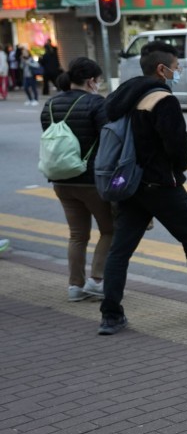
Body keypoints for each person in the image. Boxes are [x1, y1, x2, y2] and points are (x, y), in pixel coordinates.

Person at [98, 41, 187, 336]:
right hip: (162, 184)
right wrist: (178, 167)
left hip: (130, 184)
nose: (178, 72)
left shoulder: (123, 95)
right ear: (161, 70)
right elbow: (177, 146)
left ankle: (110, 315)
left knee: (120, 250)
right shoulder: (163, 100)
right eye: (176, 67)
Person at [39, 57, 114, 302]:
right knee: (110, 230)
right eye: (99, 80)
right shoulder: (96, 103)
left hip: (61, 180)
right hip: (90, 179)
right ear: (91, 81)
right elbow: (108, 140)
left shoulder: (50, 104)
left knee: (77, 235)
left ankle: (75, 286)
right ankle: (97, 280)